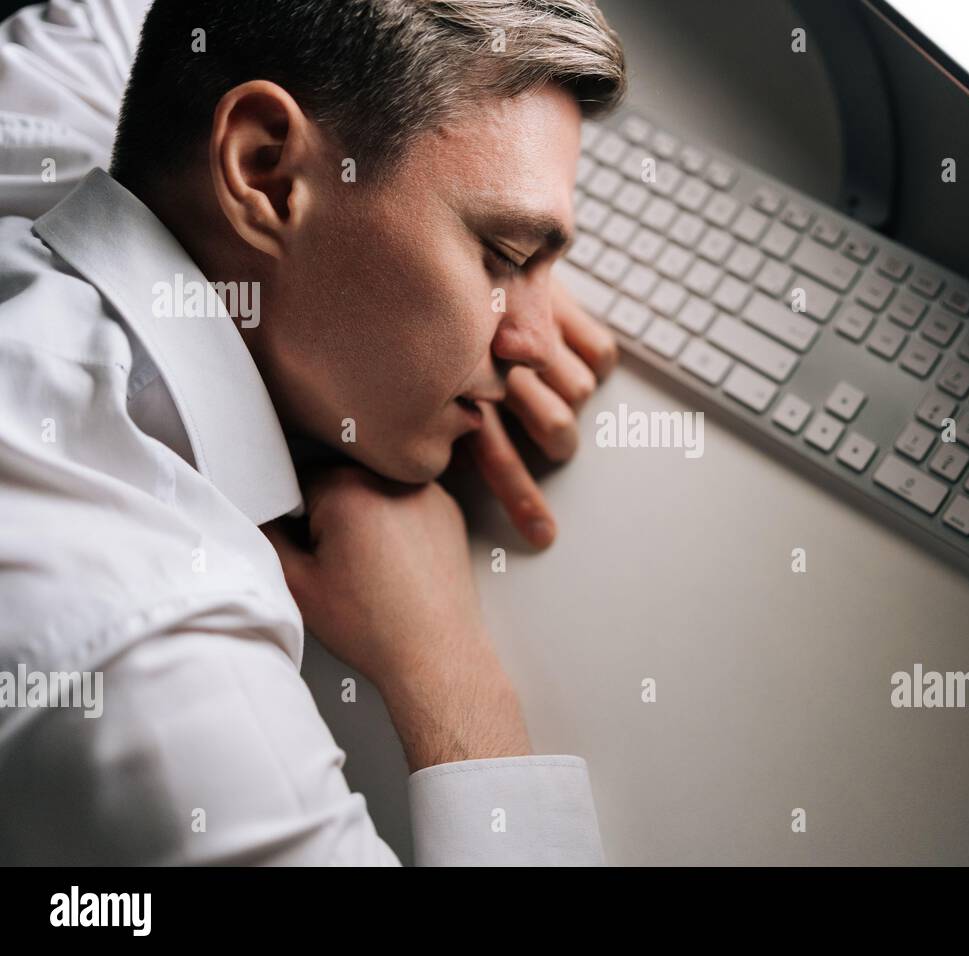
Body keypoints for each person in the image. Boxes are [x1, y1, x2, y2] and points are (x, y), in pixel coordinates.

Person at [0, 0, 626, 864]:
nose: (532, 341)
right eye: (507, 257)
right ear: (262, 170)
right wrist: (448, 668)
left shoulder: (43, 112)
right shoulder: (156, 652)